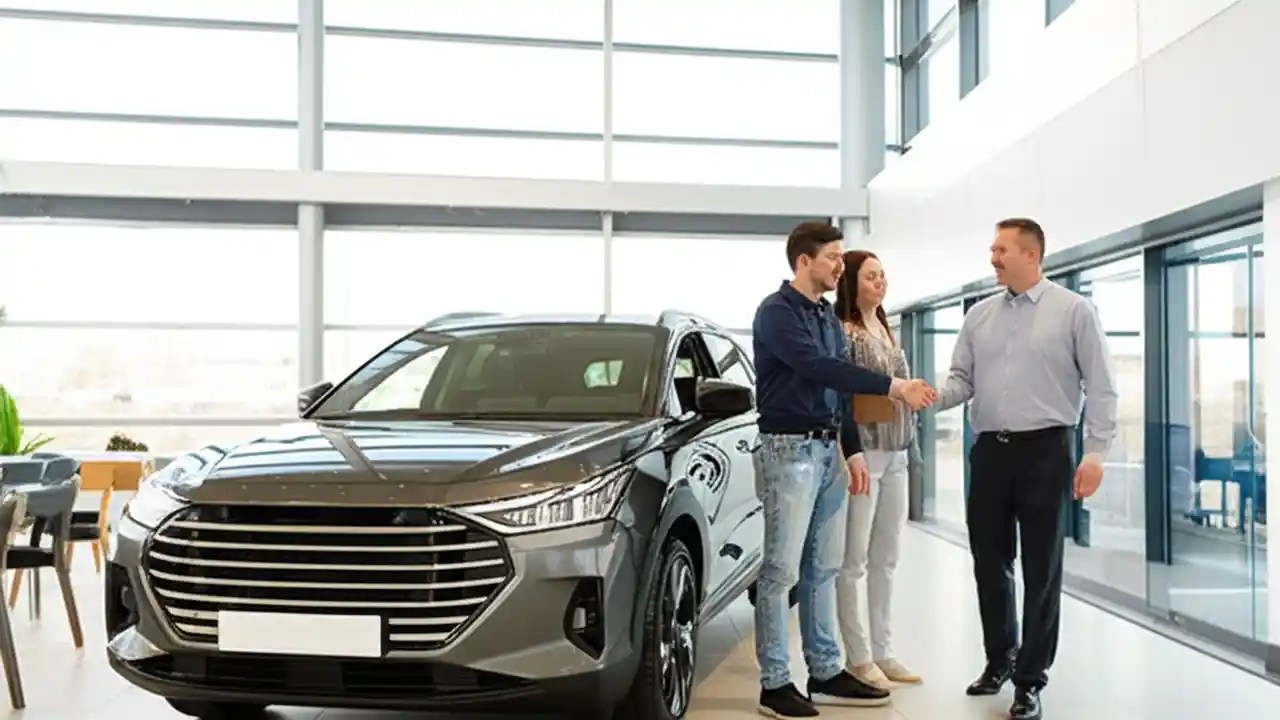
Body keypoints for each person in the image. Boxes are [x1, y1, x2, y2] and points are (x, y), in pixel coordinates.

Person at [931, 218, 1117, 720]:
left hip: (1047, 451)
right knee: (989, 562)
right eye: (992, 249)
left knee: (1042, 569)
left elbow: (1101, 386)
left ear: (1031, 255)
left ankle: (1030, 681)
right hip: (989, 452)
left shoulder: (1074, 311)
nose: (993, 258)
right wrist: (927, 396)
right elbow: (961, 380)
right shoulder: (979, 316)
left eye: (1001, 250)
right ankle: (1000, 659)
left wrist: (1095, 453)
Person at [751, 220, 936, 718]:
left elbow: (838, 393)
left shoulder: (828, 319)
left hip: (828, 449)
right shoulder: (776, 313)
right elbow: (819, 368)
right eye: (832, 257)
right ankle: (775, 683)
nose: (840, 266)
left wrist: (851, 451)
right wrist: (894, 387)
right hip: (789, 451)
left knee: (825, 567)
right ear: (804, 261)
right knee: (781, 572)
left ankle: (826, 672)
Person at [832, 250, 922, 690]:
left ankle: (884, 650)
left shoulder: (886, 329)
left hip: (897, 452)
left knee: (886, 557)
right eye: (871, 276)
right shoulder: (843, 332)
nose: (880, 282)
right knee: (854, 559)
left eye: (883, 275)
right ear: (851, 282)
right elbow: (843, 394)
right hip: (864, 453)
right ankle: (859, 656)